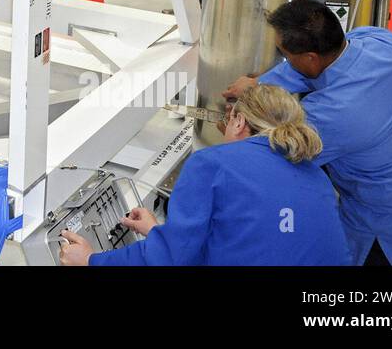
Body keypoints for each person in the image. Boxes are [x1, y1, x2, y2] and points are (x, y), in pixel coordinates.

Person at [224, 0, 392, 265]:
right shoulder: (381, 42)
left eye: (286, 55)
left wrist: (236, 140)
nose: (284, 60)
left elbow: (269, 163)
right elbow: (317, 68)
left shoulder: (329, 115)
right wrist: (259, 83)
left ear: (310, 57)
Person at [59, 84, 349, 266]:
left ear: (238, 120)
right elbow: (253, 237)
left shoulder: (212, 163)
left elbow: (171, 258)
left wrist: (90, 260)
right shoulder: (316, 176)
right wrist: (162, 234)